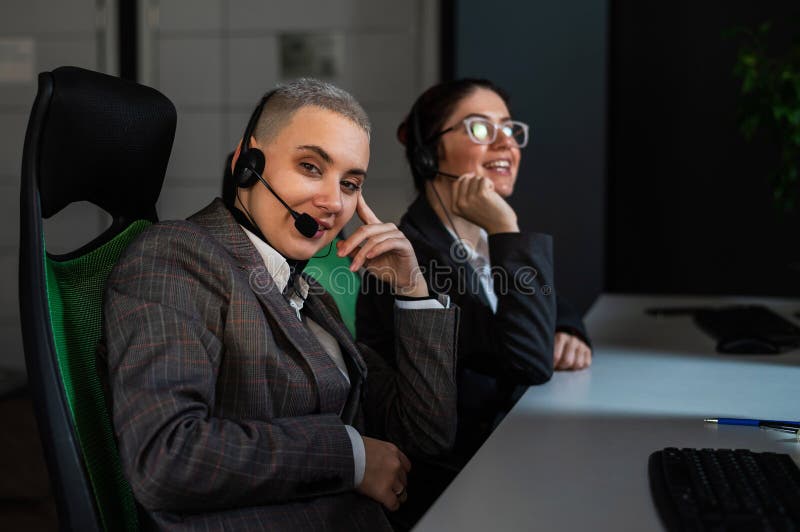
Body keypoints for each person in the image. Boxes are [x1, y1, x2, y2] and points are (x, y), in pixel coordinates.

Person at [98, 78, 459, 531]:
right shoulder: (177, 257)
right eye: (311, 167)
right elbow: (167, 455)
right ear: (246, 163)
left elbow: (425, 436)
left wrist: (413, 290)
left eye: (350, 183)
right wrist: (350, 456)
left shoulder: (306, 292)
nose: (332, 203)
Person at [356, 78, 592, 527]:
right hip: (453, 487)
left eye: (510, 128)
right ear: (430, 154)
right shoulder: (410, 259)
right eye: (481, 129)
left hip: (508, 455)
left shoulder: (480, 239)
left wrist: (569, 328)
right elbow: (527, 360)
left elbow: (551, 300)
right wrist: (508, 227)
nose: (506, 142)